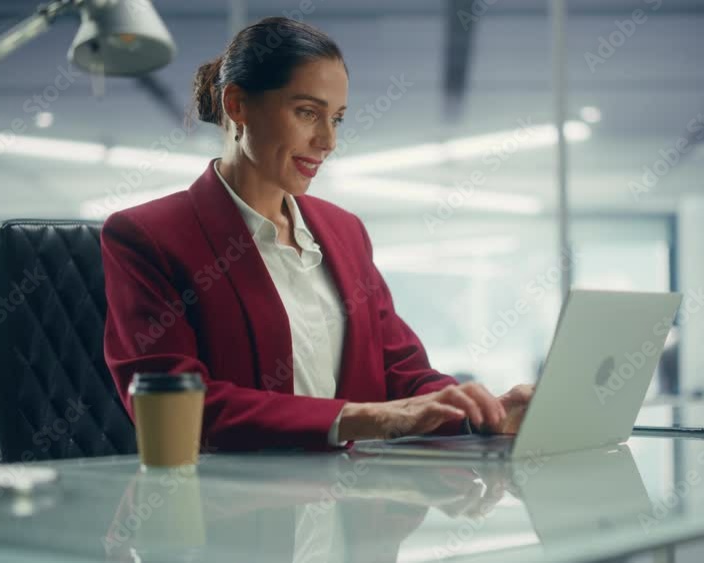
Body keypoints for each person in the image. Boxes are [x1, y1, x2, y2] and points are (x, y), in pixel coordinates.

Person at [101, 16, 533, 452]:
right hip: (230, 508)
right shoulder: (148, 236)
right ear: (237, 105)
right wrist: (364, 418)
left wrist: (486, 413)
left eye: (338, 119)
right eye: (307, 112)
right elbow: (176, 407)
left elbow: (400, 371)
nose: (328, 140)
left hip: (351, 505)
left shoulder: (345, 232)